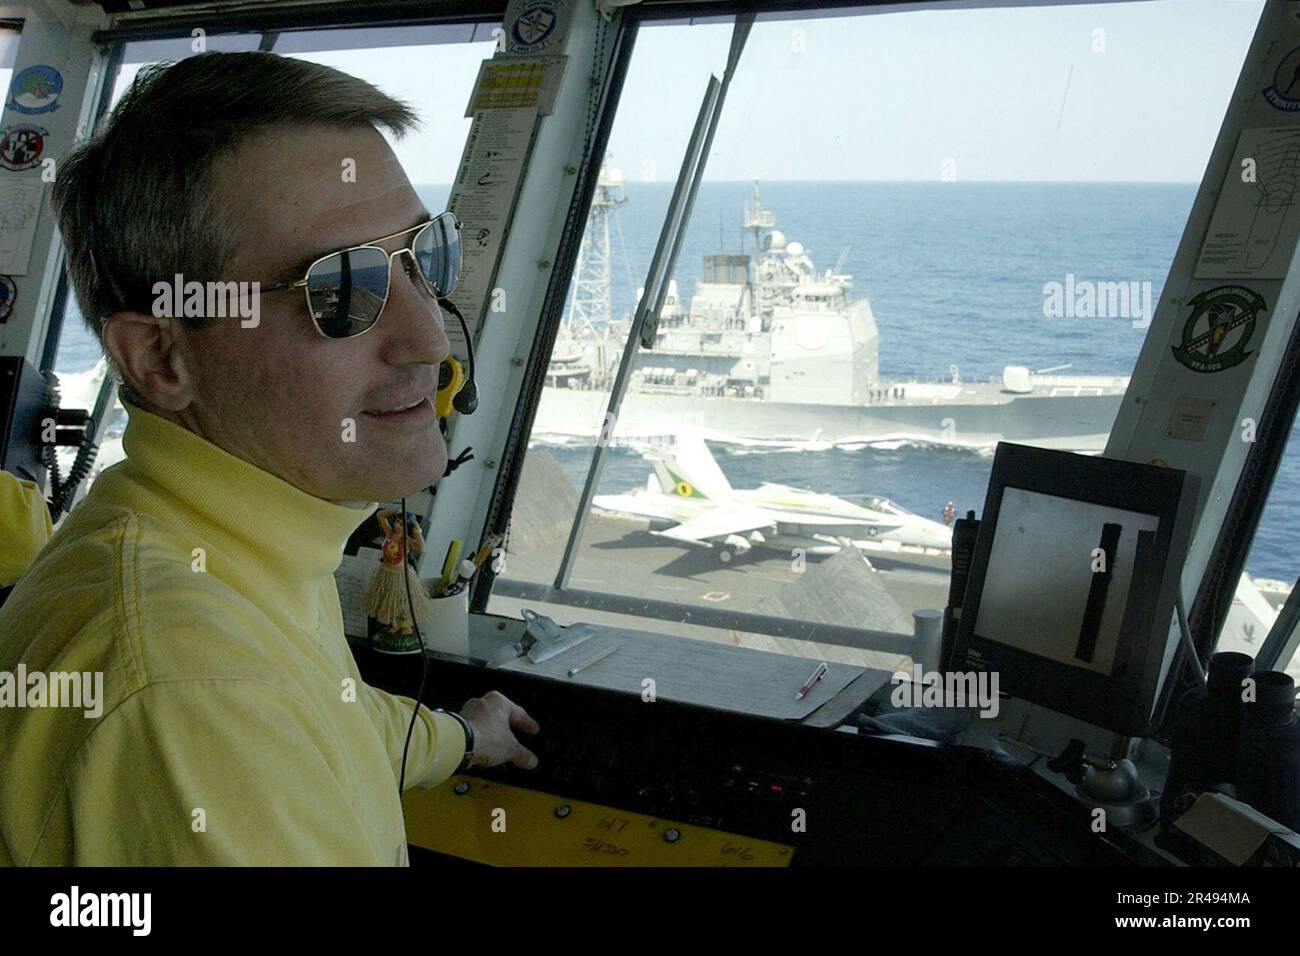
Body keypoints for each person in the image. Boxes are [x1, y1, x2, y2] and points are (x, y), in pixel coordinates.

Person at [0, 52, 539, 865]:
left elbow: (335, 711)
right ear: (161, 359)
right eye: (341, 291)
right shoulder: (192, 697)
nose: (428, 337)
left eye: (427, 258)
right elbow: (246, 701)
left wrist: (463, 737)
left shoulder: (237, 547)